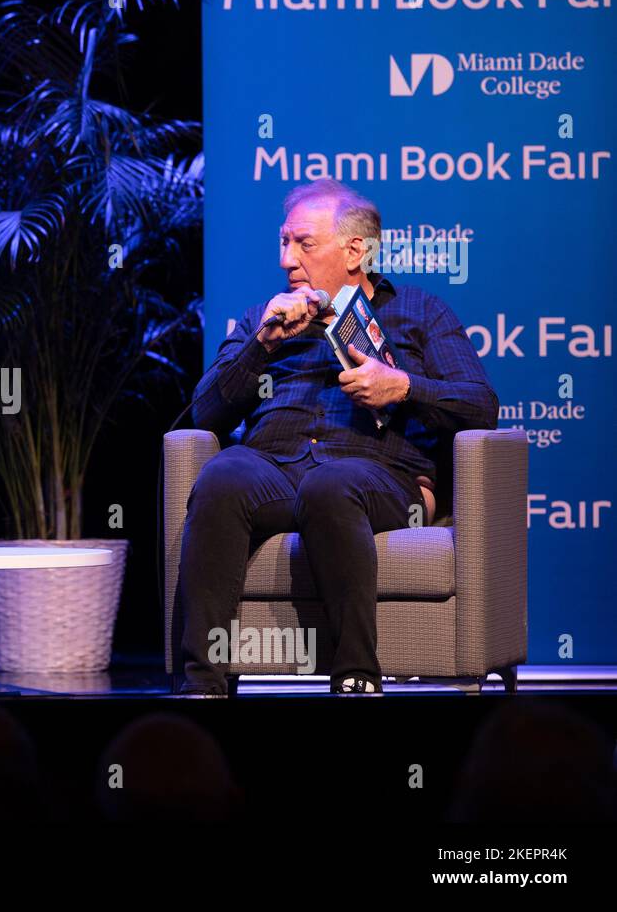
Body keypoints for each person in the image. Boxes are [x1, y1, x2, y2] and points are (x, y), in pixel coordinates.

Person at [173, 178, 497, 696]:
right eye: (283, 242)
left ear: (355, 251)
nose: (287, 259)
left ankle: (356, 681)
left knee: (332, 487)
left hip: (379, 475)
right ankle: (201, 688)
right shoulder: (266, 318)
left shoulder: (419, 312)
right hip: (275, 468)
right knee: (222, 474)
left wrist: (403, 386)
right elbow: (203, 413)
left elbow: (481, 407)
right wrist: (262, 346)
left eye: (303, 243)